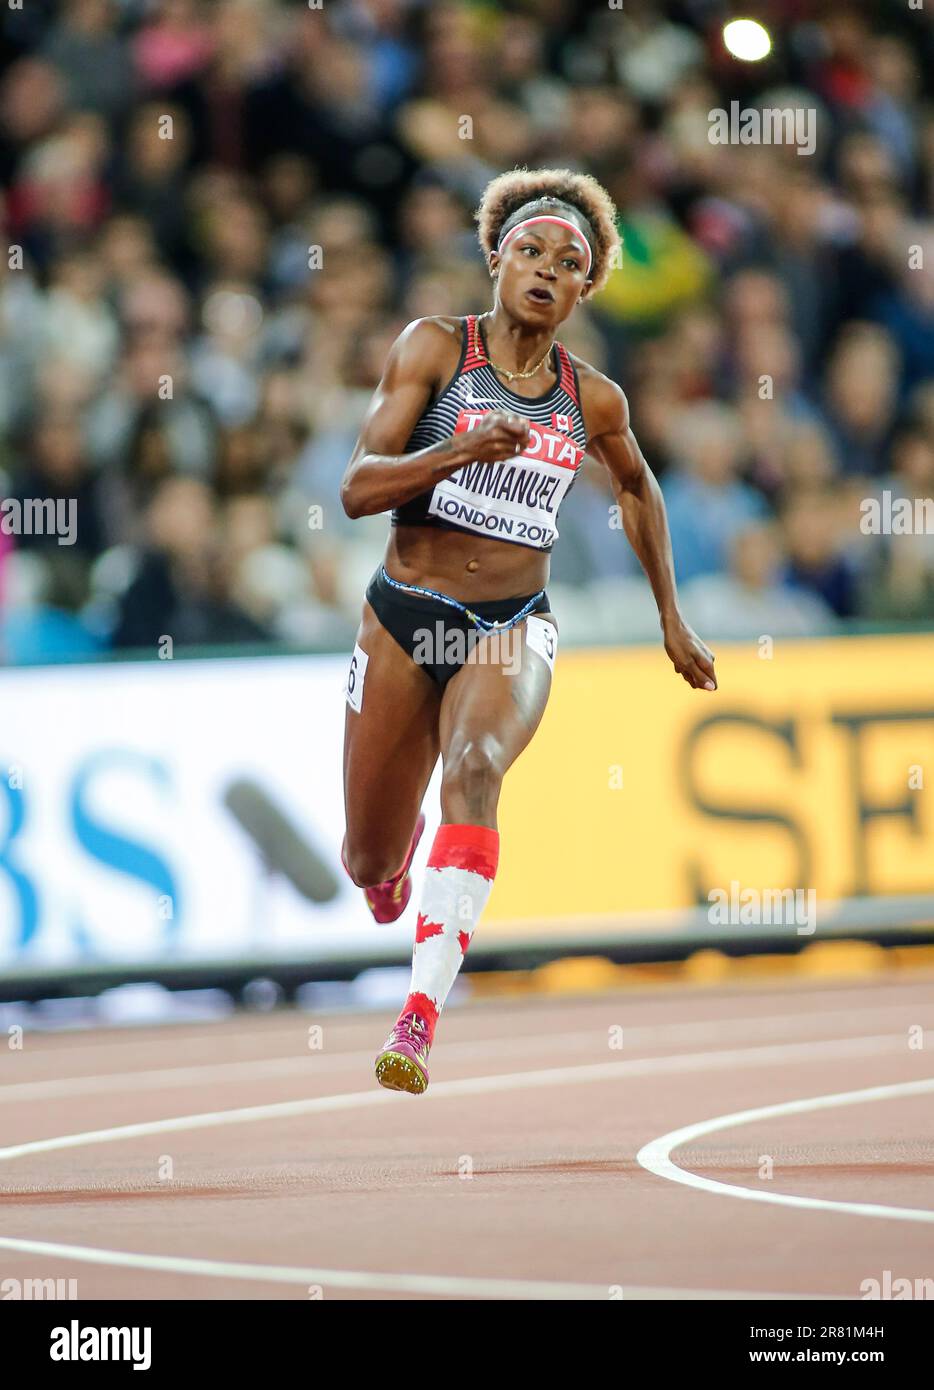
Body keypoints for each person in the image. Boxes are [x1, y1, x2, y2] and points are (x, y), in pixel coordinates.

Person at [338, 168, 717, 1094]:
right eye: (532, 250)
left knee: (475, 769)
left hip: (511, 626)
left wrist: (672, 615)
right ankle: (392, 876)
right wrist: (462, 447)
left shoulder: (594, 399)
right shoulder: (435, 349)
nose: (547, 269)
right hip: (404, 617)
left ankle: (419, 1017)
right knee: (369, 856)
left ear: (586, 290)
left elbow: (636, 485)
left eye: (570, 262)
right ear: (496, 258)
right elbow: (356, 490)